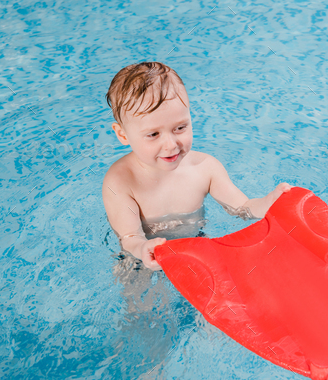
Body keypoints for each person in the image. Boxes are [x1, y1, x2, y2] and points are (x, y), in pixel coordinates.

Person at [102, 61, 291, 271]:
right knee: (137, 296)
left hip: (194, 245)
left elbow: (242, 208)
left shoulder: (206, 168)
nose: (171, 145)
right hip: (139, 259)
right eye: (153, 134)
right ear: (122, 134)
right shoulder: (120, 181)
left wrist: (268, 203)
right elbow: (129, 237)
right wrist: (142, 248)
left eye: (180, 127)